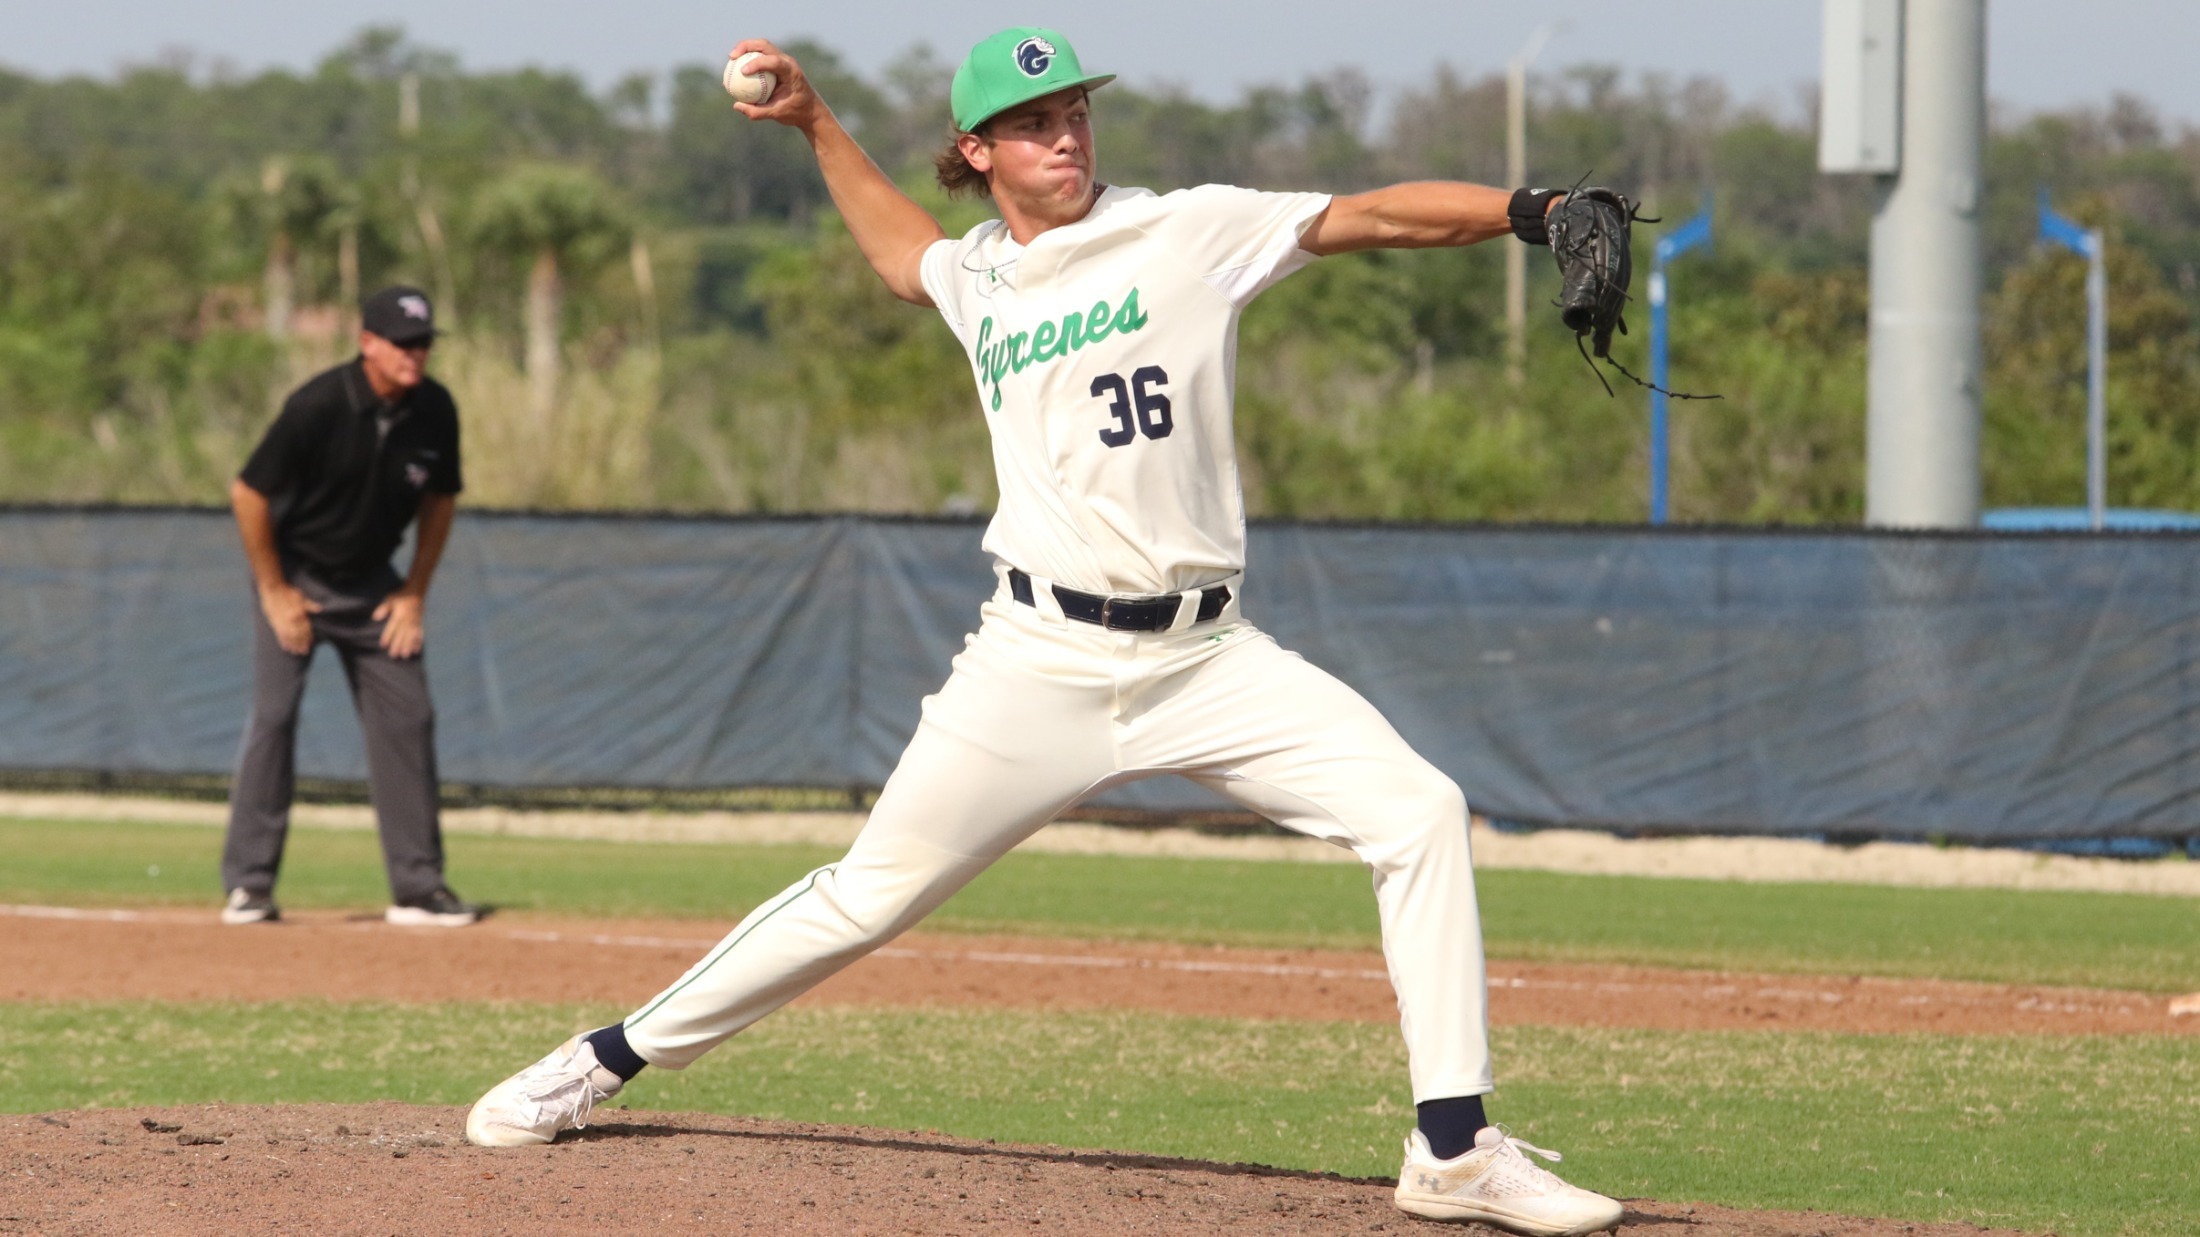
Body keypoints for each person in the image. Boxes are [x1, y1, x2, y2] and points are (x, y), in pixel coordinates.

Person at [466, 29, 1622, 1235]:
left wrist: (1526, 208)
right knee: (865, 895)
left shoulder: (1188, 228)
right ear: (976, 151)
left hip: (1205, 656)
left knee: (1419, 811)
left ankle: (1453, 1147)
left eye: (1073, 110)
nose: (1064, 134)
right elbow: (902, 255)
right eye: (1032, 121)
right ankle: (601, 1058)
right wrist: (815, 122)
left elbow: (1372, 216)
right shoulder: (979, 278)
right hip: (1036, 659)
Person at [219, 285, 482, 929]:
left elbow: (440, 502)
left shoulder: (435, 410)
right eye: (403, 342)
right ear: (368, 343)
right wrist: (275, 591)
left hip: (374, 588)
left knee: (409, 716)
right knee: (275, 718)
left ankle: (418, 887)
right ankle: (250, 885)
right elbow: (249, 493)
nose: (416, 354)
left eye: (423, 343)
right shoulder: (318, 404)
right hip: (298, 580)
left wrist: (413, 592)